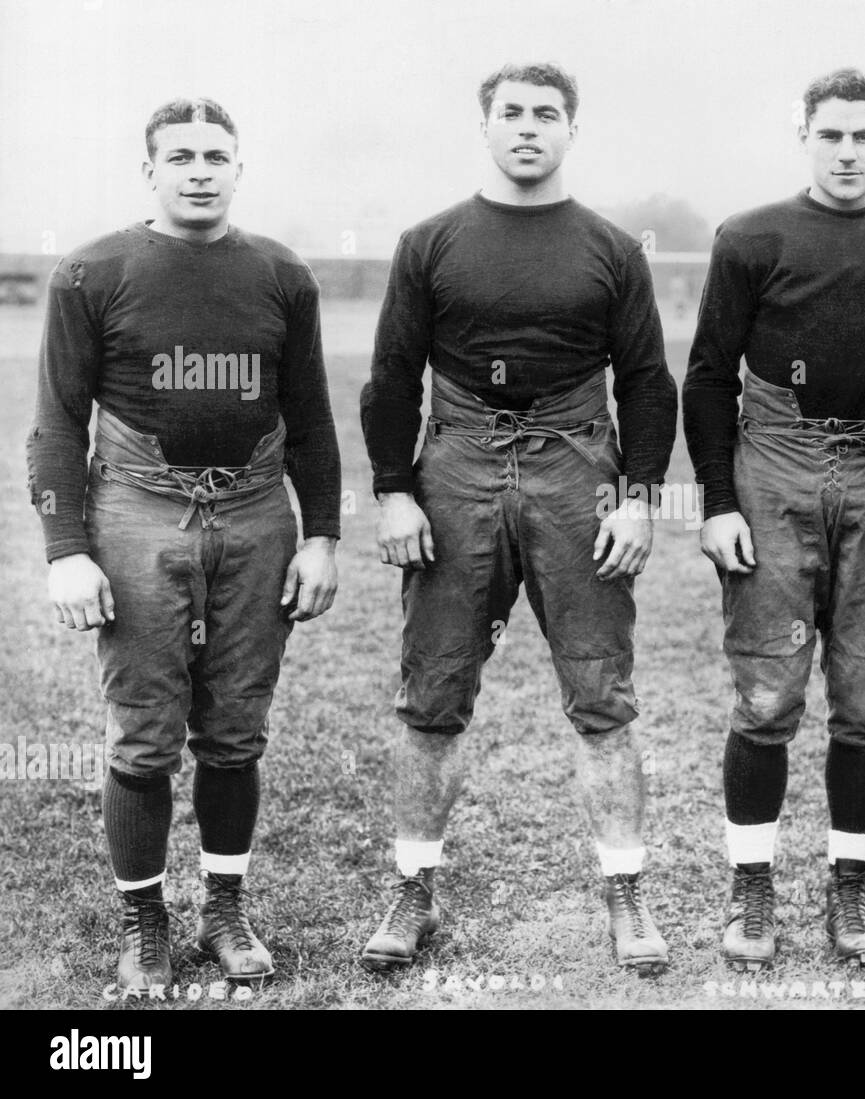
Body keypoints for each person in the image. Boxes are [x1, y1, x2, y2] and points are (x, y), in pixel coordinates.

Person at [358, 63, 678, 974]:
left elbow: (648, 382)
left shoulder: (612, 248)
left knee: (602, 698)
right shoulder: (432, 242)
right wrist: (392, 489)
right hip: (456, 460)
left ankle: (627, 893)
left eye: (547, 113)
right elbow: (391, 377)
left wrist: (641, 498)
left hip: (579, 464)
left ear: (572, 128)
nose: (528, 127)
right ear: (485, 126)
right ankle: (412, 888)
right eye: (511, 113)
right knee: (433, 694)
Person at [26, 97, 342, 991]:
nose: (199, 169)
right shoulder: (93, 271)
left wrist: (322, 535)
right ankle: (145, 921)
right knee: (144, 736)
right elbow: (56, 421)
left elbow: (313, 423)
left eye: (216, 155)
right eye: (181, 156)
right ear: (150, 170)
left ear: (240, 168)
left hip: (254, 514)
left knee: (236, 730)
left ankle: (226, 910)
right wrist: (65, 548)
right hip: (135, 508)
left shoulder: (282, 274)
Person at [683, 68, 865, 969]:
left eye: (864, 136)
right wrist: (719, 501)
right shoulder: (751, 235)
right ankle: (753, 892)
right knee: (767, 696)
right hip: (775, 464)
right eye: (832, 135)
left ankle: (850, 894)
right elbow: (706, 378)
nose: (848, 152)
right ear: (802, 134)